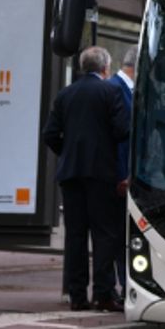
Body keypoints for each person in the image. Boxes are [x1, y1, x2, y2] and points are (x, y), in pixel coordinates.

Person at [42, 46, 130, 311]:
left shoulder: (66, 93)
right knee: (103, 234)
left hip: (71, 174)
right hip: (101, 173)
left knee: (75, 236)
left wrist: (68, 152)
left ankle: (77, 296)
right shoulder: (111, 91)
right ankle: (103, 294)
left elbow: (50, 134)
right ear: (105, 68)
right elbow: (123, 129)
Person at [101, 44, 138, 311]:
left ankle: (128, 286)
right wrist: (122, 174)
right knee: (116, 236)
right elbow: (116, 139)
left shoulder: (133, 89)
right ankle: (119, 286)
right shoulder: (114, 88)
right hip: (118, 177)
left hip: (133, 177)